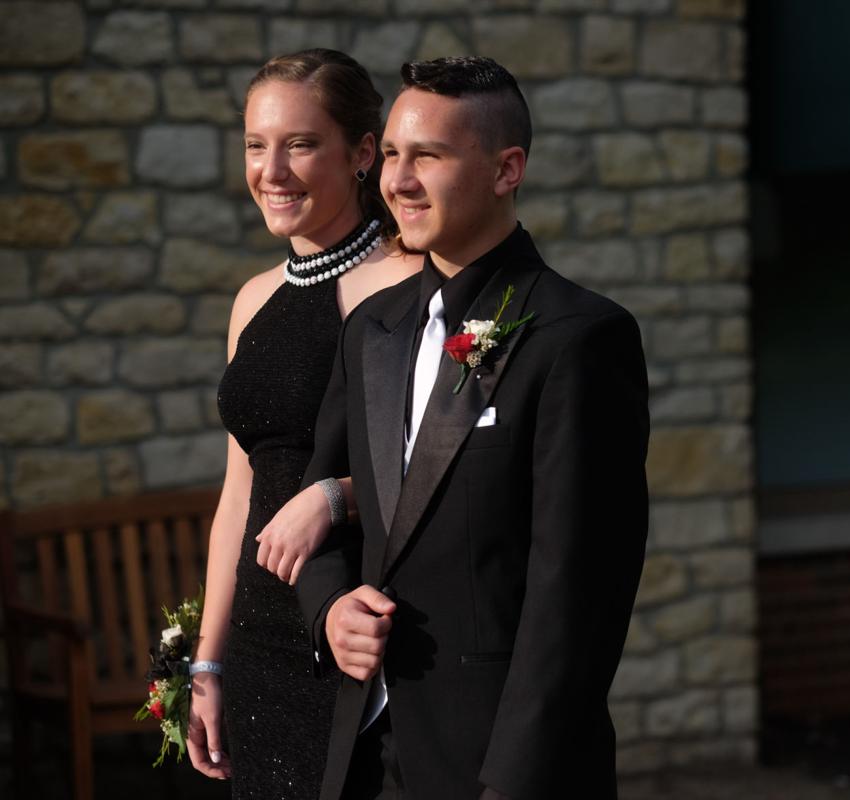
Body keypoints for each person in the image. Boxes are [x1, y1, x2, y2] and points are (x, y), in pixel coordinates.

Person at [283, 56, 650, 799]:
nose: (398, 180)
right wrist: (328, 607)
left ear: (507, 169)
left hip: (501, 766)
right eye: (390, 154)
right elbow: (329, 501)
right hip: (364, 758)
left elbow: (576, 602)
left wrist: (511, 787)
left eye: (430, 156)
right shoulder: (371, 332)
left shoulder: (578, 339)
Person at [184, 48, 423, 798]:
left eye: (299, 144)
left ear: (360, 155)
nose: (272, 171)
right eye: (257, 144)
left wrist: (335, 496)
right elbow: (237, 498)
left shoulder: (410, 279)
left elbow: (440, 466)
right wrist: (207, 663)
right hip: (258, 649)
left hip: (358, 637)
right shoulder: (252, 300)